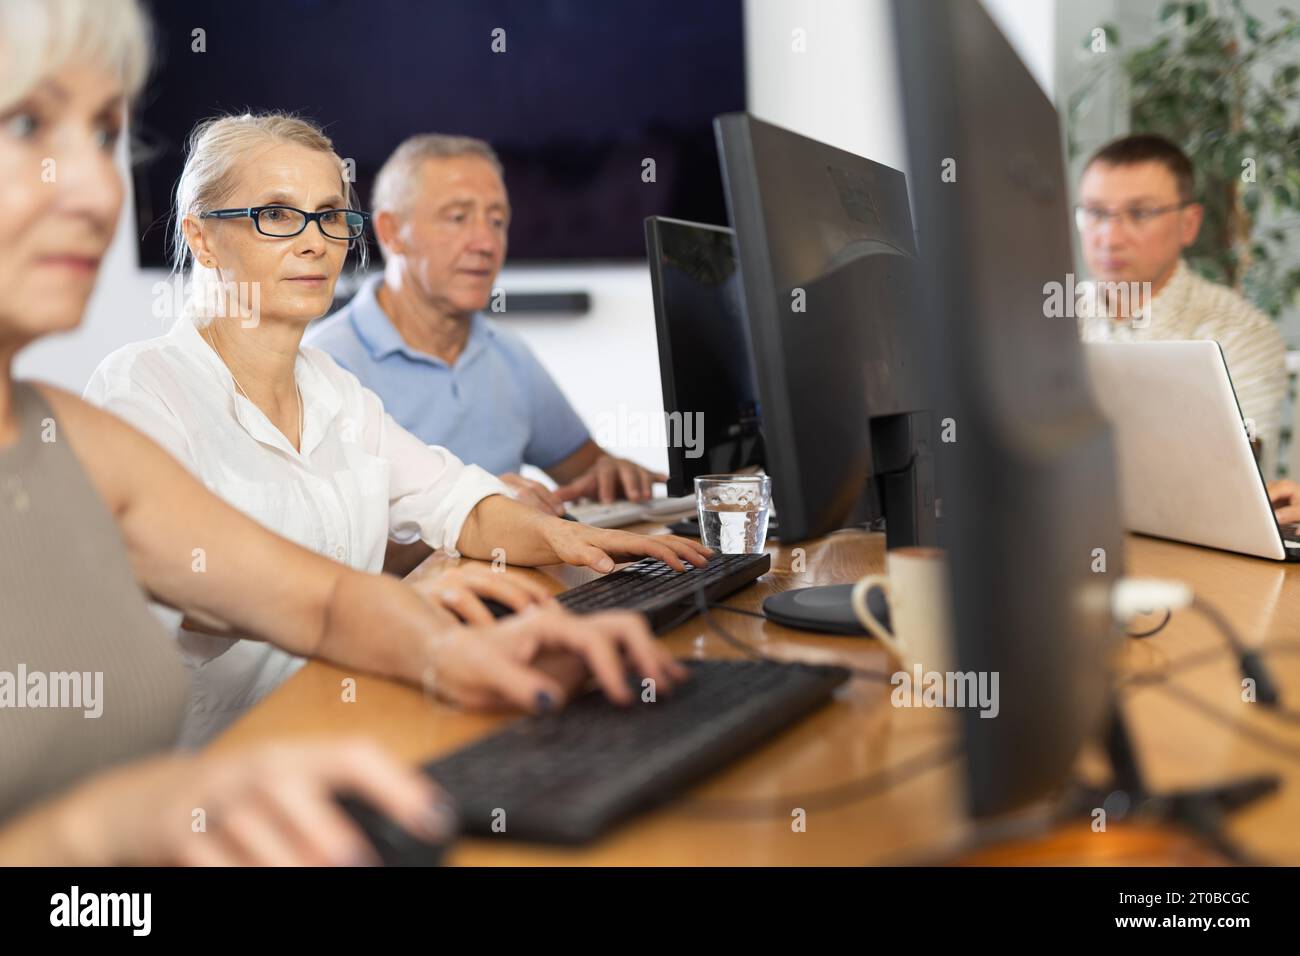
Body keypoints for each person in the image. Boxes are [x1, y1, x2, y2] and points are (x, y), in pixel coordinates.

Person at [0, 0, 687, 865]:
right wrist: (113, 824)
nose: (100, 186)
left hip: (307, 758)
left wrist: (472, 640)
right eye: (28, 122)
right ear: (201, 240)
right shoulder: (136, 399)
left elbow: (322, 598)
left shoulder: (85, 435)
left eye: (106, 136)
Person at [83, 111, 709, 746]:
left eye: (330, 215)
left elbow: (459, 503)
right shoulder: (140, 389)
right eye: (276, 214)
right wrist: (403, 612)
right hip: (215, 767)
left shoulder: (333, 388)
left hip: (350, 717)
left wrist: (578, 543)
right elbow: (199, 582)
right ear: (203, 237)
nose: (314, 241)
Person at [305, 134, 665, 515]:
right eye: (457, 218)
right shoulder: (326, 363)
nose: (485, 243)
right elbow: (332, 546)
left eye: (497, 221)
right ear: (392, 232)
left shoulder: (507, 353)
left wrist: (611, 473)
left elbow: (590, 471)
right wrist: (479, 508)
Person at [1075, 133, 1287, 467]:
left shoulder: (1241, 331)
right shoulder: (1041, 319)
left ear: (1188, 224)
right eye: (1095, 213)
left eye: (1140, 213)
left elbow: (1235, 468)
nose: (1110, 237)